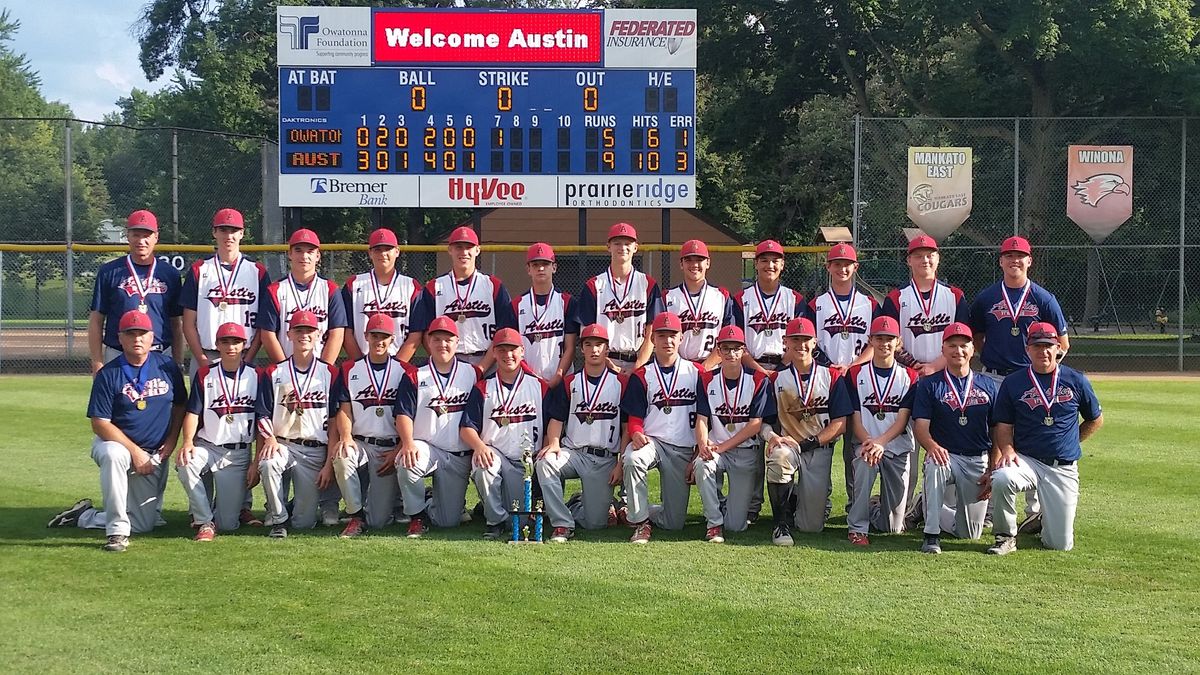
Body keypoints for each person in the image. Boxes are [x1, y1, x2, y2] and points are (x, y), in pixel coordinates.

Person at [48, 310, 186, 552]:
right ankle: (116, 534)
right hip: (116, 444)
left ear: (152, 337)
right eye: (130, 334)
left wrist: (172, 440)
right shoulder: (108, 374)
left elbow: (180, 405)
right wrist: (134, 452)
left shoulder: (167, 366)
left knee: (143, 524)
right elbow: (100, 423)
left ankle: (84, 517)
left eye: (142, 333)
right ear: (119, 338)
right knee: (113, 454)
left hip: (153, 451)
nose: (137, 339)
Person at [968, 235, 1069, 531]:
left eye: (1020, 256)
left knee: (1032, 440)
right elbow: (975, 338)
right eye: (1008, 256)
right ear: (1000, 261)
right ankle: (987, 507)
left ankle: (1035, 511)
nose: (1014, 260)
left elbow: (1062, 343)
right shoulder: (987, 298)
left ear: (1029, 261)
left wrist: (1044, 374)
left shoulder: (1043, 298)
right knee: (992, 441)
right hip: (992, 376)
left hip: (1028, 380)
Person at [986, 322, 1103, 555]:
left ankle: (1042, 518)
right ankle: (1005, 537)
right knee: (1001, 478)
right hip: (1027, 460)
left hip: (1062, 466)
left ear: (1058, 347)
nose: (1043, 351)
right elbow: (1004, 425)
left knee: (1059, 545)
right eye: (1037, 346)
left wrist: (1071, 441)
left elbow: (1095, 419)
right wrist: (1008, 451)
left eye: (1048, 346)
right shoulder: (1014, 382)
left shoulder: (1076, 380)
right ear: (1027, 349)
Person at [762, 317, 853, 546]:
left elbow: (840, 423)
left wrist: (808, 443)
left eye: (805, 340)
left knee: (811, 527)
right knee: (779, 456)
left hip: (817, 448)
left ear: (815, 342)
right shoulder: (776, 379)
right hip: (789, 445)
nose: (800, 345)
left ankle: (797, 497)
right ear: (786, 342)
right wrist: (771, 437)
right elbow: (764, 422)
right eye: (795, 340)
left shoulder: (830, 376)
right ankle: (780, 525)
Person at [910, 322, 999, 554]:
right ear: (943, 349)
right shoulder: (929, 384)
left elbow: (998, 431)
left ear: (972, 350)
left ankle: (926, 504)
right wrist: (931, 446)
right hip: (946, 455)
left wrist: (992, 469)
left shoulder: (988, 385)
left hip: (976, 458)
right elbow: (920, 425)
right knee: (934, 465)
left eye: (963, 345)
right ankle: (931, 535)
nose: (958, 350)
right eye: (952, 345)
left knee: (970, 532)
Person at [251, 310, 339, 538]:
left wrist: (328, 464)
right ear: (289, 334)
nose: (304, 335)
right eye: (299, 330)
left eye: (309, 330)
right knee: (268, 463)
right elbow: (262, 413)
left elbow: (335, 422)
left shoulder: (329, 373)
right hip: (282, 444)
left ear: (319, 334)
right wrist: (269, 438)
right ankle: (278, 519)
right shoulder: (273, 372)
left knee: (304, 523)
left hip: (313, 451)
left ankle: (290, 509)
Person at [395, 316, 483, 537]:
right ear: (428, 341)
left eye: (448, 339)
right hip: (427, 447)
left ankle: (431, 498)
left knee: (447, 522)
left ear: (457, 342)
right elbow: (403, 414)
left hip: (458, 454)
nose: (442, 344)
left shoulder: (472, 373)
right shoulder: (415, 375)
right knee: (406, 461)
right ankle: (417, 517)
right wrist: (406, 443)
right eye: (437, 339)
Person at [537, 324, 624, 542]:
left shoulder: (621, 382)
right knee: (545, 462)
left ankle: (577, 503)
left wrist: (620, 462)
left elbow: (626, 427)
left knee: (596, 524)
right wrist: (554, 442)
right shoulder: (569, 382)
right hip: (574, 453)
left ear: (606, 349)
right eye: (589, 345)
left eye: (599, 345)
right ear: (581, 349)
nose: (594, 350)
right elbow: (557, 418)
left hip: (604, 458)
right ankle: (562, 524)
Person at [620, 312, 701, 544]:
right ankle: (640, 523)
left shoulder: (697, 373)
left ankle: (638, 509)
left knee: (673, 524)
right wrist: (636, 432)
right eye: (662, 335)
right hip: (652, 442)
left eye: (672, 335)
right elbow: (634, 417)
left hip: (682, 448)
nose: (667, 341)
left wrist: (698, 452)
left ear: (681, 337)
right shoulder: (643, 374)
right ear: (653, 339)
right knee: (633, 459)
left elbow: (706, 418)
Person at [460, 327, 548, 540]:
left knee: (520, 521)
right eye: (502, 350)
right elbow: (466, 428)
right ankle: (494, 522)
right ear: (494, 353)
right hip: (495, 454)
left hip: (527, 464)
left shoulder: (539, 386)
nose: (508, 355)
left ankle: (495, 511)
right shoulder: (483, 388)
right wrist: (479, 447)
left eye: (513, 349)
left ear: (522, 351)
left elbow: (553, 422)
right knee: (483, 465)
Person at [174, 322, 258, 541]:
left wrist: (256, 460)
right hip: (207, 446)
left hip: (236, 454)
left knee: (229, 524)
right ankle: (204, 520)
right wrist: (188, 442)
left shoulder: (257, 376)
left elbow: (263, 421)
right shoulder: (205, 374)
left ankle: (222, 513)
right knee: (186, 462)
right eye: (225, 341)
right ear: (217, 345)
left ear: (244, 345)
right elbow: (193, 412)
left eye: (236, 341)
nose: (231, 346)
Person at [809, 242, 878, 509]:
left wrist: (854, 365)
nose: (842, 268)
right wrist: (829, 367)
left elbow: (876, 341)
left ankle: (855, 503)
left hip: (858, 379)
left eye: (847, 264)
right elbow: (808, 342)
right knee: (821, 442)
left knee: (855, 445)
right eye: (836, 264)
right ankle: (819, 503)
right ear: (828, 267)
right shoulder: (816, 304)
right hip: (824, 380)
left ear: (855, 268)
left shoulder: (869, 304)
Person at [329, 313, 408, 538]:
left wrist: (398, 448)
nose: (379, 341)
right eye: (374, 335)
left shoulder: (405, 371)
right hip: (361, 443)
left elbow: (410, 416)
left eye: (384, 336)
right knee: (342, 456)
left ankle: (398, 502)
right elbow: (344, 409)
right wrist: (345, 437)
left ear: (392, 339)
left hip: (390, 447)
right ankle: (355, 516)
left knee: (379, 521)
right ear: (366, 336)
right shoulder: (349, 369)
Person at [693, 326, 773, 543]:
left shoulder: (758, 379)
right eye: (726, 348)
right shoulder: (706, 379)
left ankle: (726, 510)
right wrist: (702, 444)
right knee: (702, 464)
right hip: (717, 450)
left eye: (736, 348)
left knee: (736, 526)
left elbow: (755, 425)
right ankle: (714, 523)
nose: (730, 354)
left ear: (743, 351)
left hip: (745, 451)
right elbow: (702, 418)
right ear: (718, 351)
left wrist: (721, 446)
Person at [844, 316, 919, 546]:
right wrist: (869, 442)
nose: (884, 343)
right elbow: (855, 419)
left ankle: (875, 506)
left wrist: (881, 443)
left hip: (896, 447)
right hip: (866, 445)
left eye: (890, 339)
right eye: (879, 338)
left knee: (893, 528)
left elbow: (903, 419)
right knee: (866, 464)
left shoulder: (910, 376)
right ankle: (857, 528)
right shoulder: (855, 374)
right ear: (870, 341)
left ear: (898, 342)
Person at [88, 209, 183, 374]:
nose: (141, 241)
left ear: (156, 237)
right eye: (136, 235)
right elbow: (96, 320)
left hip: (160, 354)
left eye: (146, 235)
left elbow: (176, 324)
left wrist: (179, 362)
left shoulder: (170, 274)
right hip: (118, 354)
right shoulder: (109, 271)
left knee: (162, 400)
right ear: (128, 236)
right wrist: (97, 363)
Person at [181, 208, 269, 375]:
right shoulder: (199, 270)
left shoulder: (257, 271)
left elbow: (263, 325)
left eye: (234, 230)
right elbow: (188, 323)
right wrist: (201, 359)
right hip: (207, 355)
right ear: (214, 232)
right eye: (223, 230)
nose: (229, 236)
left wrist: (248, 360)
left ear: (242, 233)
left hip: (245, 355)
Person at [425, 225, 517, 372]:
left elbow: (504, 331)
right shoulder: (434, 287)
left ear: (477, 250)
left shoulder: (493, 285)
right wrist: (443, 363)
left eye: (469, 247)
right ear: (450, 250)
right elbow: (425, 332)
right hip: (448, 361)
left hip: (488, 360)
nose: (464, 252)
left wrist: (481, 368)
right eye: (458, 247)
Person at [577, 222, 664, 373]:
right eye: (617, 243)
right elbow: (586, 332)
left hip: (640, 361)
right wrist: (608, 363)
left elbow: (653, 329)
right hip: (603, 362)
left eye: (627, 243)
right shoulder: (594, 285)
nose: (622, 247)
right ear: (608, 247)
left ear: (635, 247)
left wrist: (638, 366)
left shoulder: (647, 284)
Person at [258, 228, 348, 365]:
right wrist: (285, 369)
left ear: (318, 256)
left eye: (310, 251)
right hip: (286, 367)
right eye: (298, 250)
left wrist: (324, 370)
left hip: (321, 368)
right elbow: (267, 334)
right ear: (290, 254)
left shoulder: (330, 289)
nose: (304, 256)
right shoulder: (275, 290)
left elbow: (337, 334)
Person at [343, 228, 430, 362]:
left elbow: (416, 334)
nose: (383, 253)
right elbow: (346, 332)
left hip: (398, 360)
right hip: (363, 360)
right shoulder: (353, 284)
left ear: (397, 252)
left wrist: (398, 366)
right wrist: (361, 365)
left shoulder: (411, 286)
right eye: (378, 249)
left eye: (387, 249)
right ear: (370, 253)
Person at [736, 239, 807, 375]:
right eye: (764, 260)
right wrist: (760, 371)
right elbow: (738, 343)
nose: (770, 265)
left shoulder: (795, 299)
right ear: (756, 264)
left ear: (782, 265)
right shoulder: (740, 299)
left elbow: (800, 341)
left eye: (775, 261)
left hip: (787, 367)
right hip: (750, 370)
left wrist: (780, 368)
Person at [663, 239, 735, 370]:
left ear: (708, 263)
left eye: (699, 260)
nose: (694, 264)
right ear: (681, 264)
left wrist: (705, 367)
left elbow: (728, 338)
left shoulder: (722, 296)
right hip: (677, 370)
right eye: (689, 260)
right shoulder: (668, 297)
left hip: (713, 368)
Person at [513, 242, 579, 386]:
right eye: (535, 265)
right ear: (528, 269)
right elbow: (513, 349)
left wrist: (558, 376)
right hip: (527, 381)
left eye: (545, 264)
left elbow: (570, 347)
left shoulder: (567, 302)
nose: (541, 268)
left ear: (554, 267)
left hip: (562, 381)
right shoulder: (517, 305)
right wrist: (534, 379)